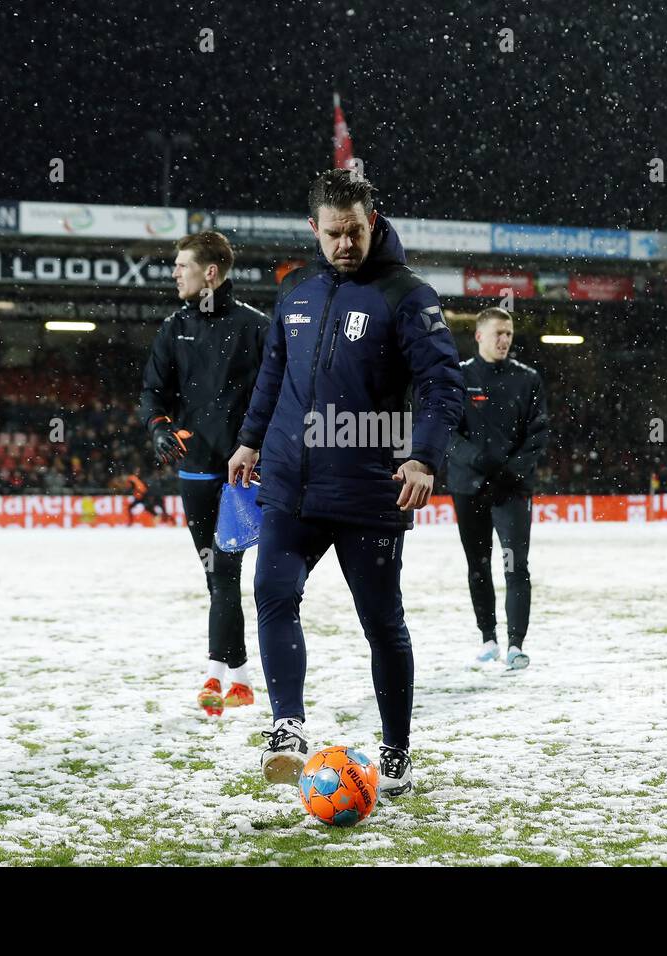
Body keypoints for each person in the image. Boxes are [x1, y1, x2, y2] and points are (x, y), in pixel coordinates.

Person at [228, 170, 464, 797]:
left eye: (354, 231)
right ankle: (286, 729)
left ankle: (396, 751)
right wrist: (250, 439)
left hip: (368, 488)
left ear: (372, 220)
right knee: (274, 595)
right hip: (290, 483)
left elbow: (442, 384)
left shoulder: (408, 295)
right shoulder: (296, 290)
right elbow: (272, 374)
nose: (344, 244)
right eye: (332, 233)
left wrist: (423, 458)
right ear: (315, 229)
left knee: (381, 622)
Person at [141, 231, 269, 717]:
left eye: (182, 266)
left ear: (209, 272)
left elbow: (276, 394)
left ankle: (219, 676)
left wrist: (256, 448)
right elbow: (152, 392)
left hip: (241, 475)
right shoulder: (174, 328)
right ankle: (237, 677)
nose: (174, 273)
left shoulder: (256, 327)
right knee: (217, 575)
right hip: (194, 473)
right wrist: (157, 428)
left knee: (226, 573)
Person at [445, 307, 548, 670]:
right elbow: (446, 433)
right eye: (497, 333)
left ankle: (516, 645)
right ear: (479, 336)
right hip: (468, 487)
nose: (504, 340)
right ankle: (487, 637)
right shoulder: (457, 378)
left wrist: (509, 473)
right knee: (478, 565)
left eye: (509, 333)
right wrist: (481, 463)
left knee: (516, 567)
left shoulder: (528, 379)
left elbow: (538, 435)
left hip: (512, 490)